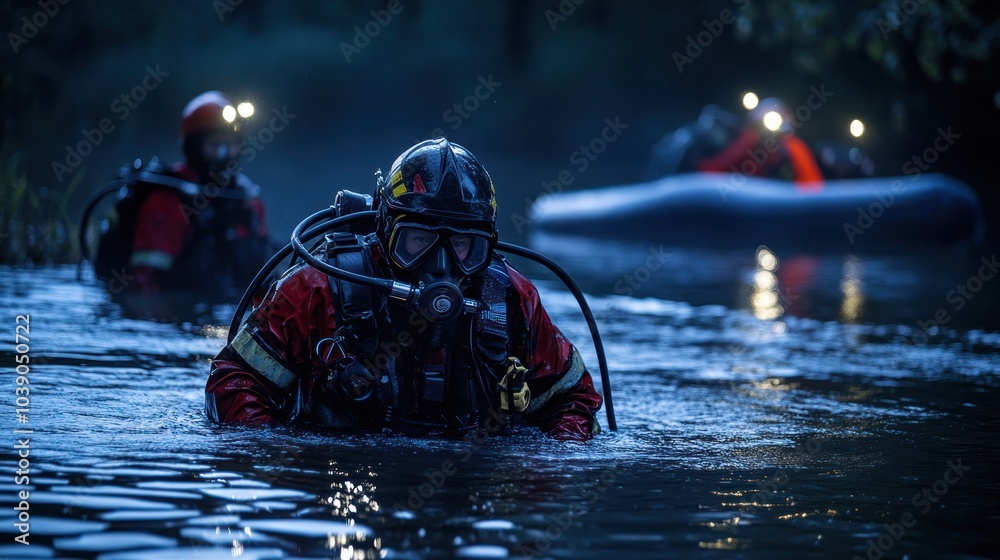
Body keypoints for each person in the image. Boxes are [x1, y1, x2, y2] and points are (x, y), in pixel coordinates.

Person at [205, 138, 604, 441]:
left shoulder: (510, 299)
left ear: (487, 244)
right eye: (418, 241)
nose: (441, 265)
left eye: (462, 245)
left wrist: (539, 474)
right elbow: (235, 382)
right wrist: (285, 462)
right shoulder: (318, 289)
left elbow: (573, 400)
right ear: (385, 230)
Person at [92, 90, 271, 295]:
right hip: (176, 310)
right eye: (216, 145)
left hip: (225, 306)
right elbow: (143, 286)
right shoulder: (168, 200)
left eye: (232, 144)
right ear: (193, 146)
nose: (225, 154)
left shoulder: (246, 200)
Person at [696, 97, 825, 189]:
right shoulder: (748, 139)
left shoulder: (794, 147)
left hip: (785, 207)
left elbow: (813, 185)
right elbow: (721, 166)